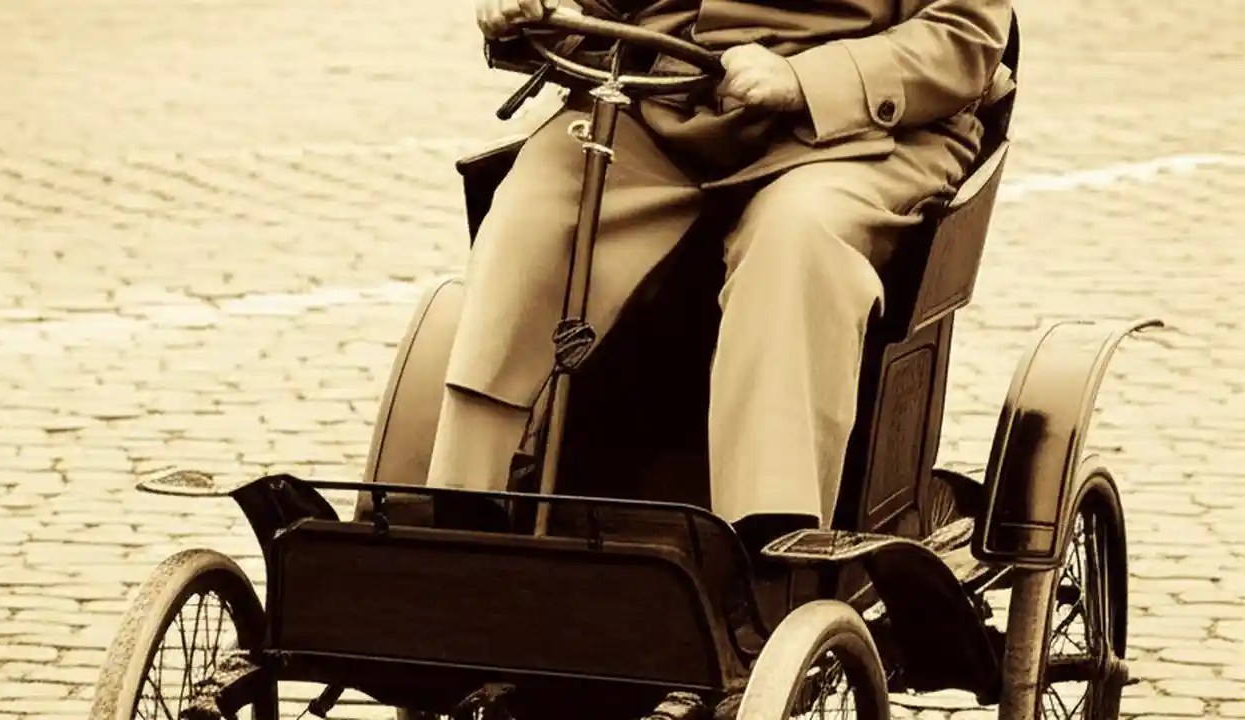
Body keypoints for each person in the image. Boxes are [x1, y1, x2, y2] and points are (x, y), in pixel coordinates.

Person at [426, 0, 1014, 549]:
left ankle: (769, 544)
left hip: (861, 136)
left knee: (797, 237)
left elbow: (964, 37)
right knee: (537, 209)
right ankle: (465, 512)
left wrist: (805, 81)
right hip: (666, 107)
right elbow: (600, 10)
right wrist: (541, 12)